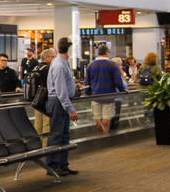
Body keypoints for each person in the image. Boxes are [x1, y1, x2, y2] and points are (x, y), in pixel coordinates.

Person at [44, 39, 79, 175]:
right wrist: (71, 109)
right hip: (58, 103)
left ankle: (63, 164)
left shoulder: (63, 63)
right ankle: (53, 166)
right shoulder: (59, 65)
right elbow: (60, 91)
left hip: (61, 102)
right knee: (56, 135)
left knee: (64, 135)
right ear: (69, 50)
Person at [84, 43, 126, 135]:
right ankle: (105, 138)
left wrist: (87, 93)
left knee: (97, 119)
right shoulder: (112, 65)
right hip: (108, 96)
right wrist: (123, 91)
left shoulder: (90, 65)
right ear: (107, 52)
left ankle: (99, 137)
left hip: (95, 96)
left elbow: (87, 83)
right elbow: (118, 82)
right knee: (106, 119)